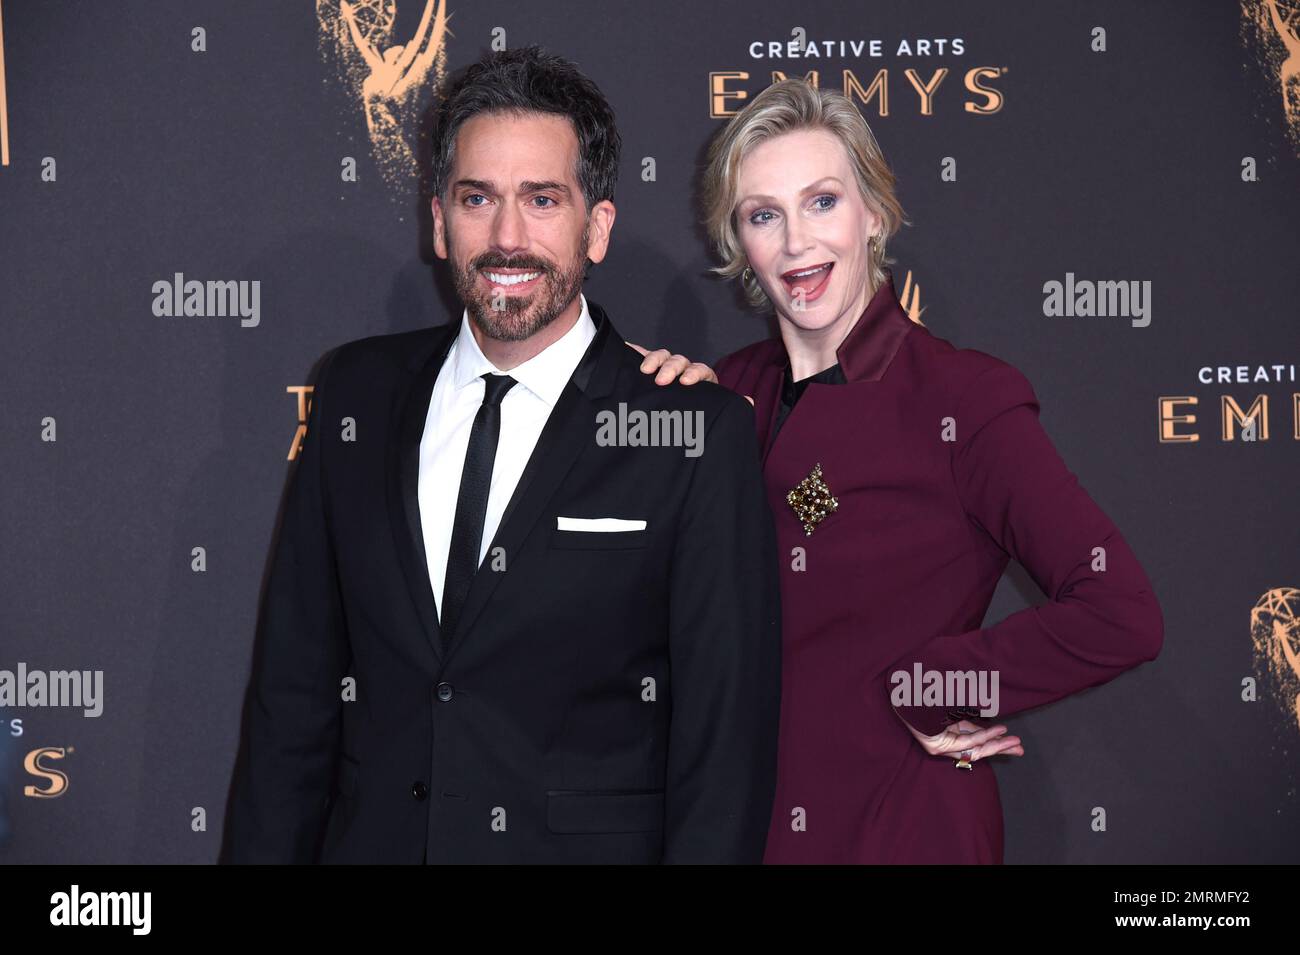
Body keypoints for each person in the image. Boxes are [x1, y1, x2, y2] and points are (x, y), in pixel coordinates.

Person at [223, 47, 781, 864]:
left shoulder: (690, 433)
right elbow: (291, 705)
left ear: (597, 227)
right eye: (477, 198)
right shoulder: (355, 396)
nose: (507, 238)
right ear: (439, 220)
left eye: (543, 199)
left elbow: (723, 759)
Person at [642, 78, 1163, 863]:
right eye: (763, 215)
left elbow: (1122, 610)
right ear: (737, 242)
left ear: (874, 214)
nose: (795, 243)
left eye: (822, 201)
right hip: (740, 834)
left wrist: (937, 683)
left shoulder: (963, 398)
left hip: (902, 830)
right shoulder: (723, 393)